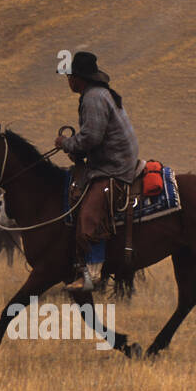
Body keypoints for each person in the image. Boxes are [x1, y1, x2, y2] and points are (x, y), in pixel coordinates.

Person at [54, 52, 139, 293]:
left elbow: (91, 137)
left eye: (69, 76)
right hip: (110, 159)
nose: (68, 81)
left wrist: (65, 144)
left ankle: (92, 274)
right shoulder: (98, 94)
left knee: (89, 214)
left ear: (77, 78)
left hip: (113, 166)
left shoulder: (93, 98)